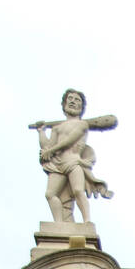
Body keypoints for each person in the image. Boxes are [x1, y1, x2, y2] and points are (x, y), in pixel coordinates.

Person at [29, 89, 117, 225]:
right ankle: (59, 224)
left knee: (78, 190)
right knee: (50, 194)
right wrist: (41, 132)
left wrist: (52, 149)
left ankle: (87, 221)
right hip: (58, 164)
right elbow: (47, 146)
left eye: (77, 100)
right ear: (64, 106)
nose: (73, 102)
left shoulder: (82, 124)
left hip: (73, 160)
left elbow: (70, 140)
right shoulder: (56, 128)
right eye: (70, 99)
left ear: (82, 108)